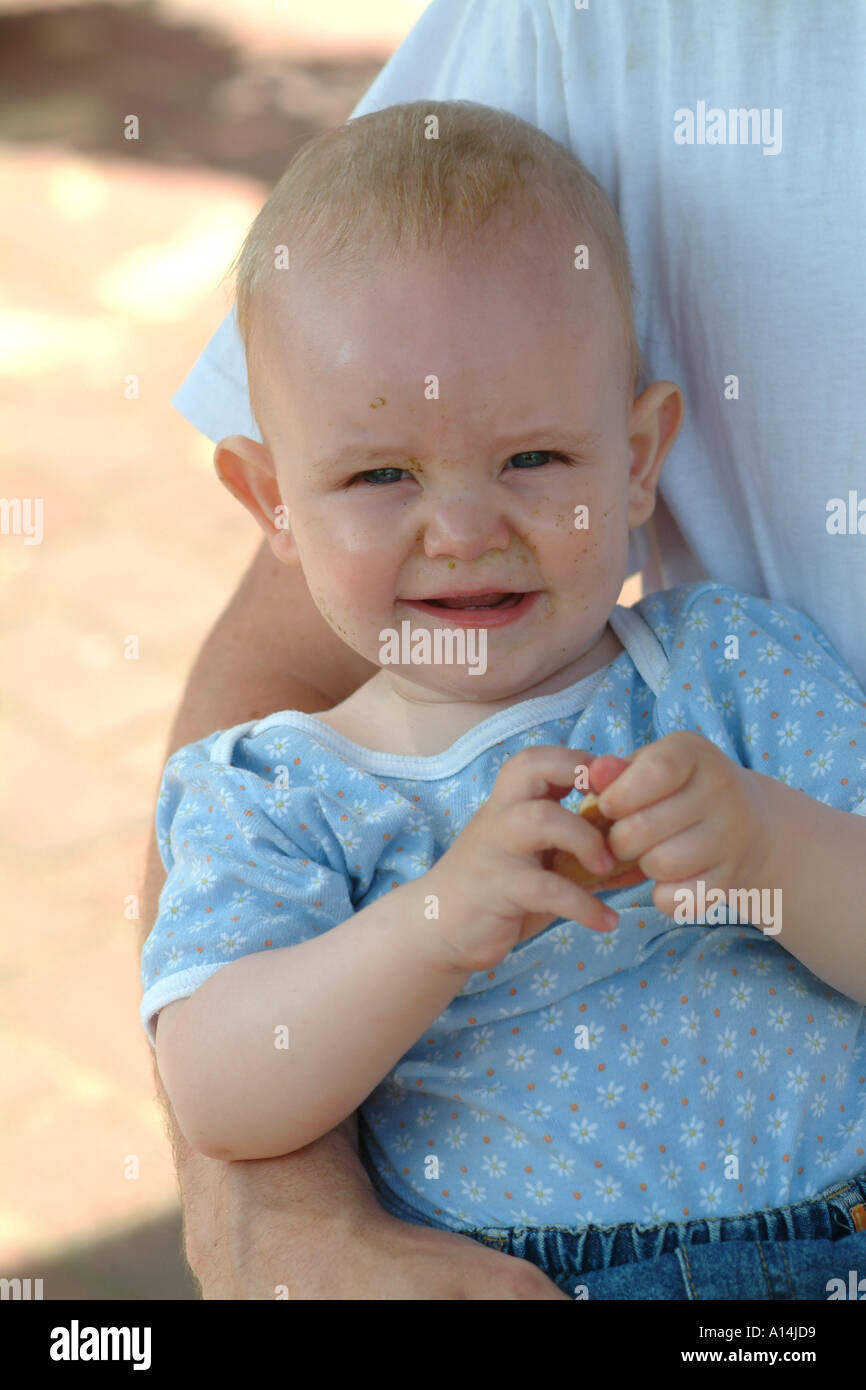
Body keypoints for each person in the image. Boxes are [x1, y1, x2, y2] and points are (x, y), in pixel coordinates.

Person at [141, 0, 866, 1299]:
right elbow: (220, 1087)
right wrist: (431, 924)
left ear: (639, 458)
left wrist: (763, 845)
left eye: (534, 457)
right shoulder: (280, 785)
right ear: (272, 507)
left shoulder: (728, 674)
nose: (466, 530)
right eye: (378, 473)